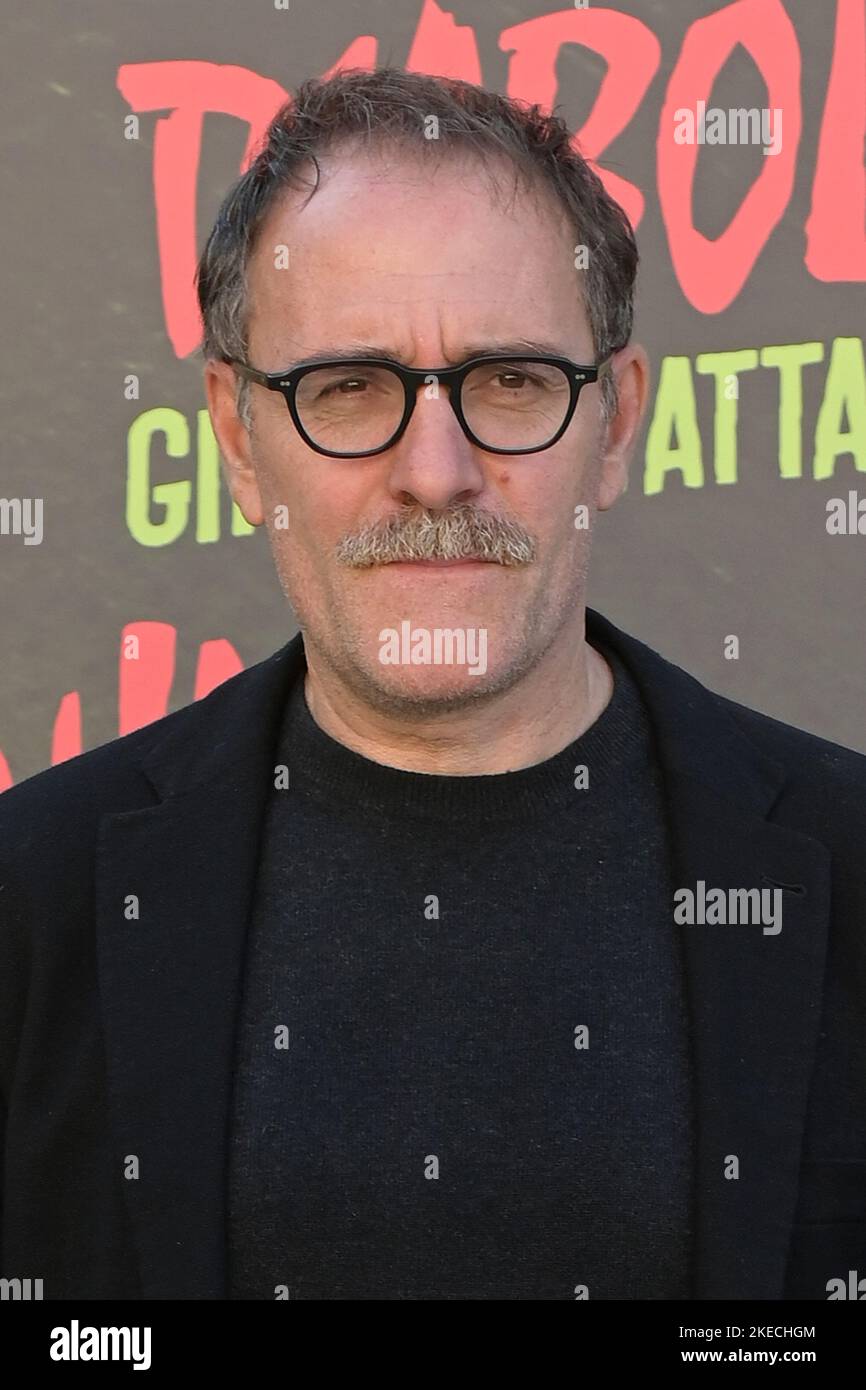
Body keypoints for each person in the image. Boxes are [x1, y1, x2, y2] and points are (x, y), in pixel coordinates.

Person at [1, 68, 864, 1302]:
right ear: (240, 441)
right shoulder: (34, 899)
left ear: (613, 426)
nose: (435, 470)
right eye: (346, 388)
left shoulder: (845, 865)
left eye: (508, 381)